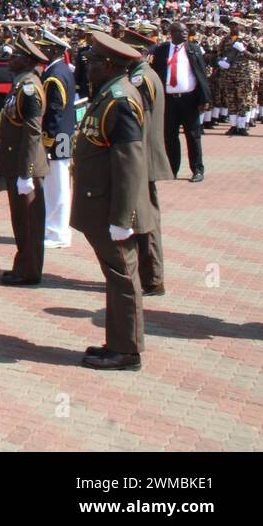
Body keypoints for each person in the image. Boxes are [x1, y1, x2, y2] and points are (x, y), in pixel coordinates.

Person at [70, 32, 148, 371]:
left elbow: (129, 161)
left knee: (123, 276)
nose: (89, 67)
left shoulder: (119, 99)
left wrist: (122, 217)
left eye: (95, 62)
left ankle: (127, 350)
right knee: (115, 274)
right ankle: (116, 342)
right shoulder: (108, 95)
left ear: (112, 65)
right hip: (99, 201)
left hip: (110, 206)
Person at [0, 33, 49, 286]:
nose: (10, 59)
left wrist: (26, 172)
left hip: (24, 164)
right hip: (16, 162)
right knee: (21, 220)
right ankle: (23, 264)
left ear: (27, 60)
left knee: (28, 222)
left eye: (15, 56)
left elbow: (32, 130)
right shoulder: (20, 84)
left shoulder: (29, 87)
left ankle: (29, 271)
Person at [124, 32, 173, 298]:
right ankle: (151, 276)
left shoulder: (140, 78)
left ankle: (152, 277)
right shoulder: (144, 73)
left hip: (143, 155)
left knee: (146, 219)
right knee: (145, 217)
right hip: (145, 154)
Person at [148, 22, 209, 181]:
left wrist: (205, 99)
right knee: (170, 136)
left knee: (193, 135)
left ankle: (197, 169)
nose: (185, 33)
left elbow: (202, 74)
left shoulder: (193, 49)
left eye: (185, 31)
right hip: (169, 101)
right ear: (172, 33)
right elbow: (155, 74)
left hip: (189, 99)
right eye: (181, 31)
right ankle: (171, 169)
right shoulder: (161, 50)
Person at [38, 29, 76, 249]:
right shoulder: (60, 69)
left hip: (57, 136)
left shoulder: (54, 74)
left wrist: (48, 138)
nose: (41, 51)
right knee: (58, 184)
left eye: (44, 47)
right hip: (62, 134)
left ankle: (57, 232)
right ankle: (56, 229)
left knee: (57, 185)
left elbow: (54, 109)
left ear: (53, 50)